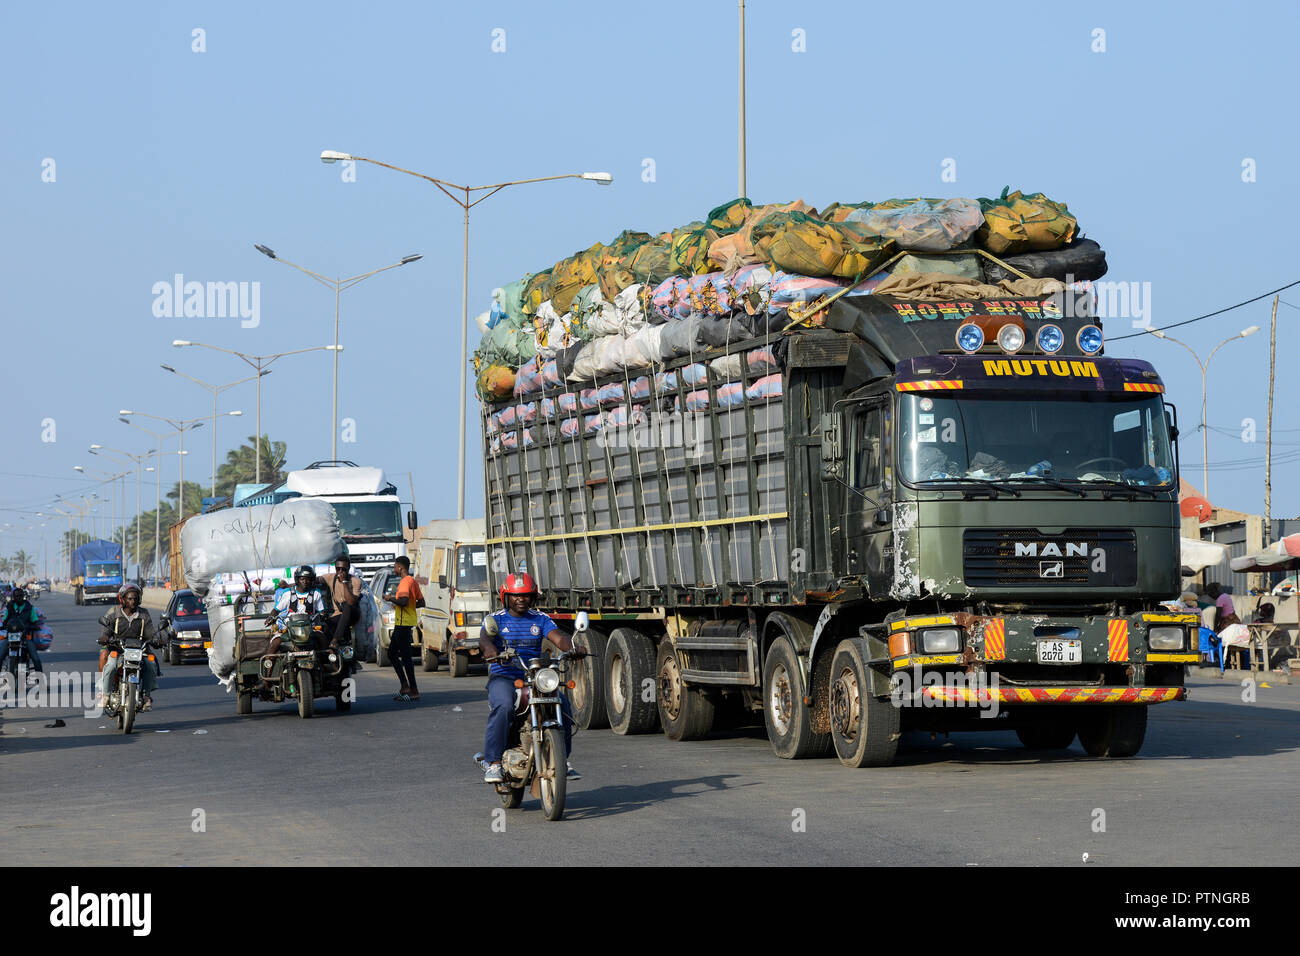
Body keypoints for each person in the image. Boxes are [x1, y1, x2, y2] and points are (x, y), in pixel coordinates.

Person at [479, 572, 584, 783]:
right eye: (516, 595)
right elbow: (485, 638)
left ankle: (562, 760)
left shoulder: (541, 619)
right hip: (505, 676)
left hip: (535, 677)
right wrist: (490, 650)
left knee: (562, 705)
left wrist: (573, 647)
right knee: (504, 706)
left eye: (526, 595)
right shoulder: (495, 619)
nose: (521, 599)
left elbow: (558, 638)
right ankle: (493, 763)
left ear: (533, 597)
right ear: (505, 597)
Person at [98, 583, 162, 711]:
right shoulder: (114, 613)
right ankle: (105, 695)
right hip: (118, 650)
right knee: (110, 666)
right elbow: (105, 630)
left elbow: (150, 632)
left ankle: (146, 696)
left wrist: (156, 639)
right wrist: (105, 637)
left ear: (139, 599)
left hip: (139, 650)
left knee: (150, 665)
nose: (133, 601)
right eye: (130, 598)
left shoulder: (144, 614)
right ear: (123, 599)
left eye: (135, 598)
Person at [264, 566, 327, 655]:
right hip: (289, 628)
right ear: (297, 579)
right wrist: (270, 617)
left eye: (308, 579)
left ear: (312, 580)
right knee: (275, 643)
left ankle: (329, 663)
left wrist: (323, 615)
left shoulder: (316, 593)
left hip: (310, 628)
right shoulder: (287, 593)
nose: (305, 582)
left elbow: (322, 611)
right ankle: (268, 666)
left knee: (322, 639)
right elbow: (276, 610)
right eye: (302, 579)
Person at [389, 556, 424, 701]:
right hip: (404, 623)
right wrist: (405, 605)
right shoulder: (412, 581)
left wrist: (390, 598)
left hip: (403, 624)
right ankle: (405, 686)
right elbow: (421, 602)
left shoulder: (404, 582)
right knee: (391, 654)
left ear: (400, 567)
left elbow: (403, 601)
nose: (394, 569)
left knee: (406, 658)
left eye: (395, 566)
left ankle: (413, 689)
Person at [3, 586, 44, 684]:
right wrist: (3, 625)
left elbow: (34, 621)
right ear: (13, 597)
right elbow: (4, 620)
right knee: (0, 655)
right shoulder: (9, 607)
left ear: (23, 596)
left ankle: (41, 681)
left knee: (36, 658)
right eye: (16, 596)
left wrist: (34, 626)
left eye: (20, 596)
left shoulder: (30, 608)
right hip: (10, 637)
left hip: (25, 637)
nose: (18, 598)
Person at [321, 556, 362, 650]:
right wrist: (288, 585)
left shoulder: (356, 581)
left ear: (348, 568)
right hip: (339, 614)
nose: (340, 571)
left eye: (343, 569)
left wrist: (344, 582)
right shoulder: (331, 577)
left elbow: (351, 602)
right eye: (338, 569)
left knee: (347, 605)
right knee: (327, 623)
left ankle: (335, 639)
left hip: (353, 613)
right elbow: (310, 581)